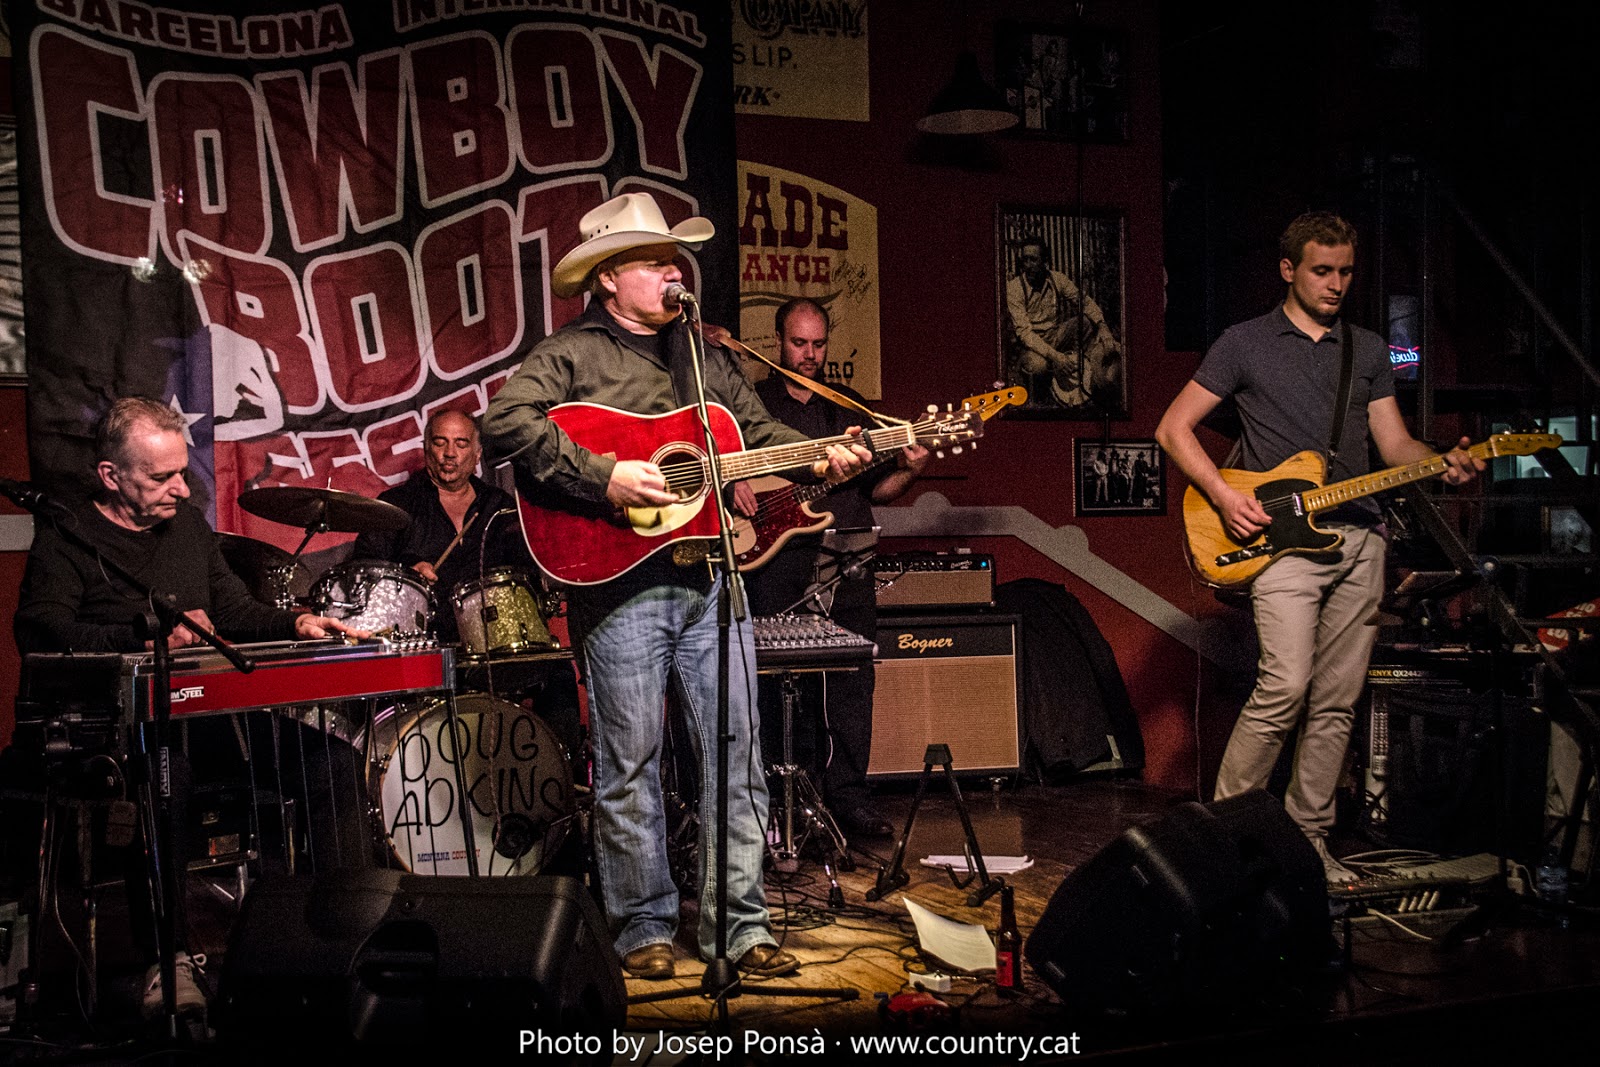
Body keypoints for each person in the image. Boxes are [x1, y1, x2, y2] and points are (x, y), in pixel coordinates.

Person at [483, 192, 870, 981]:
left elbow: (756, 437)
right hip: (619, 585)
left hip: (712, 580)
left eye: (672, 258)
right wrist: (604, 475)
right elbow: (506, 422)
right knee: (631, 763)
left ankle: (741, 925)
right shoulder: (572, 353)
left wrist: (820, 454)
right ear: (609, 277)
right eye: (655, 260)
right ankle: (642, 927)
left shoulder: (702, 352)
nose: (671, 270)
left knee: (738, 754)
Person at [1154, 212, 1484, 883]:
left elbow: (1394, 446)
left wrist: (1439, 460)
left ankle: (1309, 843)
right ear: (1289, 270)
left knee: (1337, 700)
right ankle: (1229, 840)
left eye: (1346, 272)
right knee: (1285, 684)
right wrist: (1222, 494)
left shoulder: (1365, 350)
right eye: (1322, 271)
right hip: (1282, 540)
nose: (1337, 284)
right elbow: (1173, 428)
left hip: (1361, 534)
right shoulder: (1244, 343)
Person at [14, 397, 366, 1016]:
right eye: (160, 477)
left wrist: (300, 620)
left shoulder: (188, 529)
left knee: (331, 765)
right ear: (110, 476)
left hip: (206, 719)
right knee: (164, 772)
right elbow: (40, 632)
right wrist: (146, 631)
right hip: (116, 733)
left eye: (182, 471)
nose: (181, 487)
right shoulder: (67, 538)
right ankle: (167, 960)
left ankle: (339, 940)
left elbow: (232, 614)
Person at [741, 297, 927, 839]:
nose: (809, 355)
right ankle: (787, 798)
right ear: (779, 341)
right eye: (799, 344)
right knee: (780, 686)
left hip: (848, 559)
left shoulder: (849, 409)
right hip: (778, 563)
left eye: (818, 344)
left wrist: (910, 470)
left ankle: (848, 795)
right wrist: (738, 486)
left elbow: (884, 491)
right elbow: (732, 473)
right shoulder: (756, 404)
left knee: (852, 681)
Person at [352, 409, 532, 642]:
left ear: (477, 454)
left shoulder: (499, 506)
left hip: (496, 640)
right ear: (426, 448)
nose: (450, 453)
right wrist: (406, 574)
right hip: (423, 640)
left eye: (461, 444)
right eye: (440, 443)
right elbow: (364, 568)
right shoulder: (395, 504)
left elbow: (527, 574)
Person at [1005, 237, 1122, 409]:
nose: (1028, 265)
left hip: (1055, 336)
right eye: (1025, 259)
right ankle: (1043, 392)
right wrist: (1056, 357)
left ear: (1045, 261)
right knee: (1039, 366)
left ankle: (1089, 374)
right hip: (1031, 346)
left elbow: (1084, 302)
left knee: (1086, 322)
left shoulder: (1056, 279)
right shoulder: (1015, 288)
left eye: (1033, 259)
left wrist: (1103, 327)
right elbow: (1025, 334)